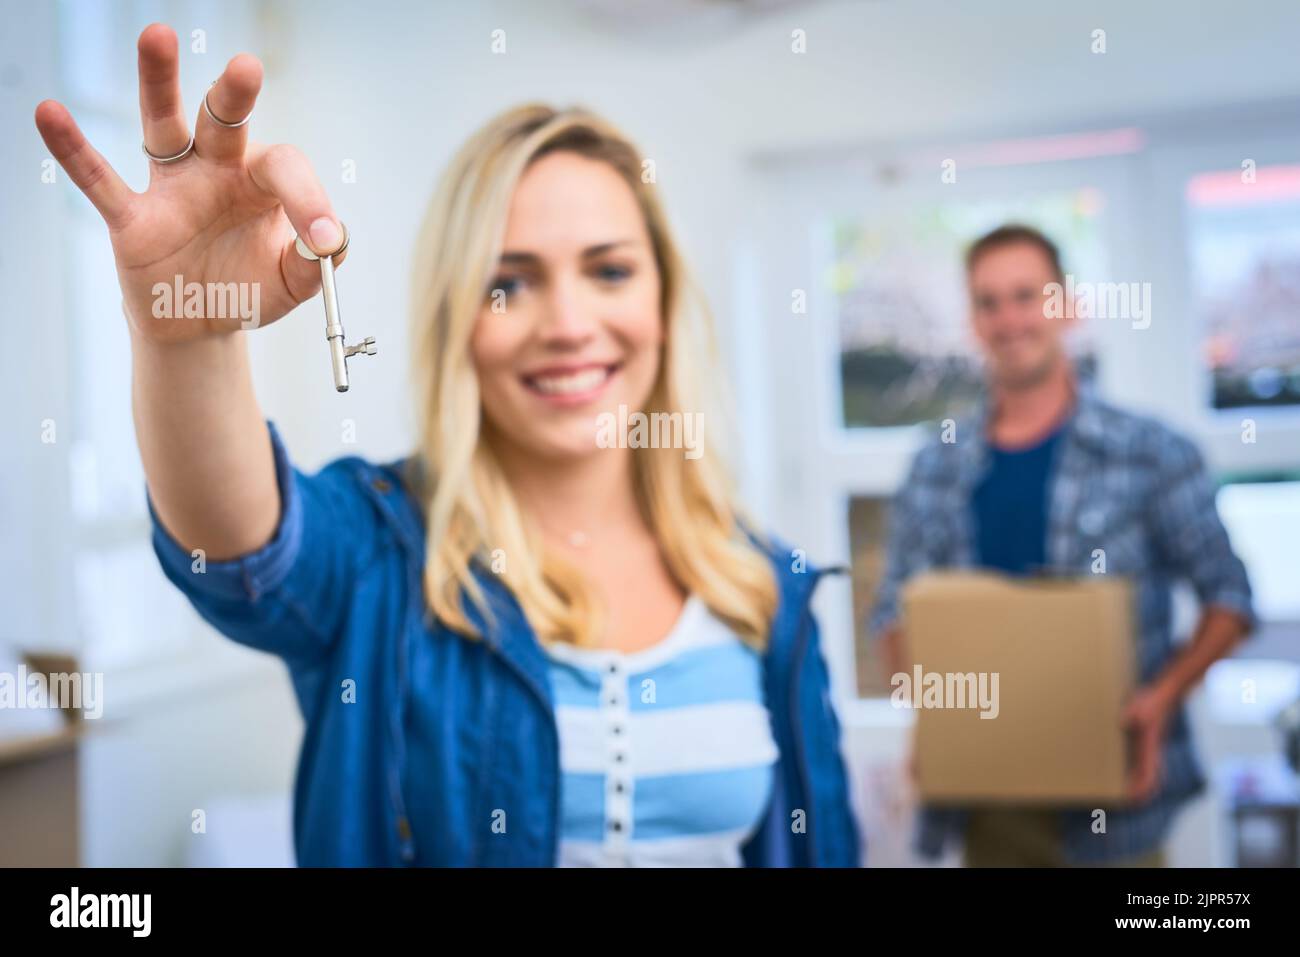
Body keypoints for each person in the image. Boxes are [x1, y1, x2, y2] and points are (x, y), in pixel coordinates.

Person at [34, 23, 859, 867]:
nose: (570, 326)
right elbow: (240, 557)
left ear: (664, 297)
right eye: (509, 282)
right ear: (456, 315)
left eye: (609, 270)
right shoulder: (378, 555)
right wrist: (186, 339)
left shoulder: (766, 588)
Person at [869, 224, 1255, 867]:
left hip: (1119, 811)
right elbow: (890, 612)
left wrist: (1161, 698)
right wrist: (934, 710)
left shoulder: (1151, 453)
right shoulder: (935, 465)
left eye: (1028, 296)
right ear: (973, 321)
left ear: (1067, 306)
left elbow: (1232, 599)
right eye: (988, 302)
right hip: (988, 808)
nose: (1009, 319)